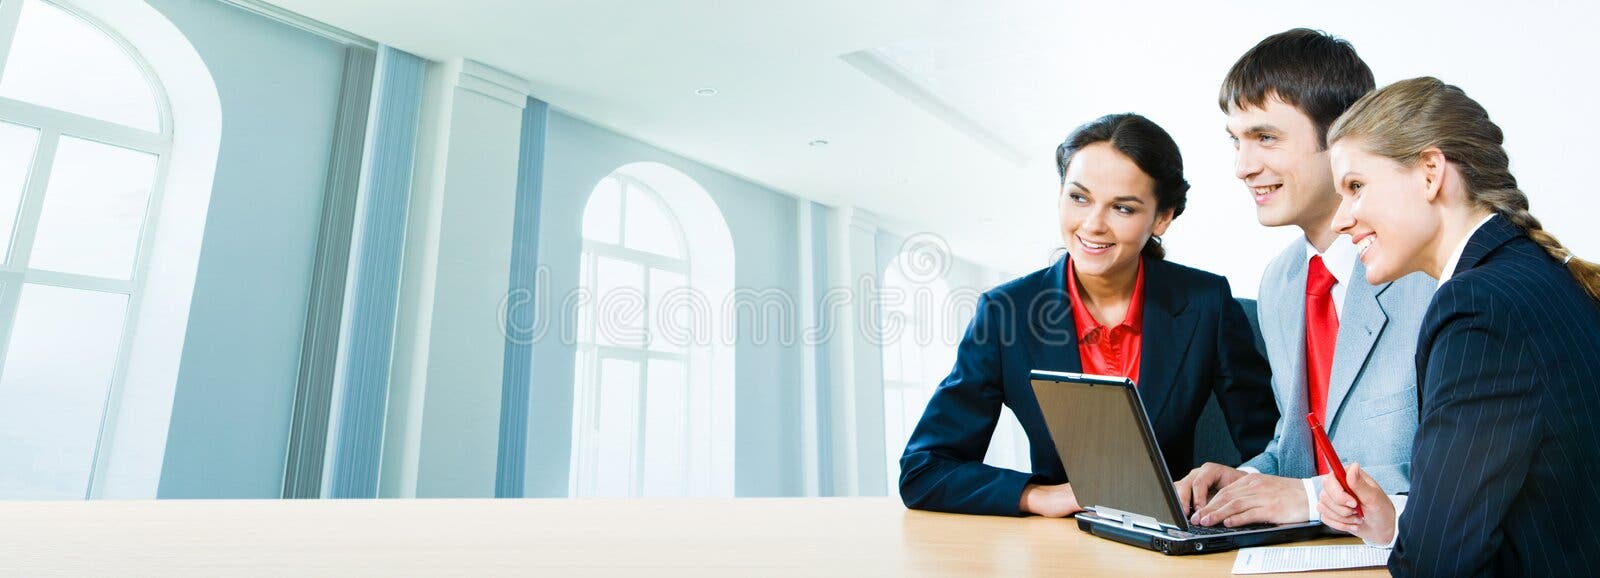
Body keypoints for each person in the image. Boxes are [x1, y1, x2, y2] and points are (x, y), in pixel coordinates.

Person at [898, 113, 1278, 516]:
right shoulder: (1005, 313)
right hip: (1061, 545)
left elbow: (1273, 446)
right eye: (1079, 198)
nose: (1093, 225)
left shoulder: (1207, 303)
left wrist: (1239, 482)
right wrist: (1042, 496)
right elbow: (925, 471)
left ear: (1162, 218)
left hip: (1173, 540)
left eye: (1124, 208)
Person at [1316, 76, 1600, 576]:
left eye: (1356, 187)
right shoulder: (1536, 274)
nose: (1342, 219)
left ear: (1430, 172)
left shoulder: (1477, 307)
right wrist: (1397, 525)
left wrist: (1419, 540)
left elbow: (1439, 564)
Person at [1177, 28, 1435, 528]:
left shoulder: (1426, 270)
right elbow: (1296, 452)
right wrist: (1242, 482)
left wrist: (1308, 498)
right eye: (1236, 141)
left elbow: (1453, 464)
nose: (1242, 167)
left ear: (1342, 138)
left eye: (1265, 138)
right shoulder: (1281, 282)